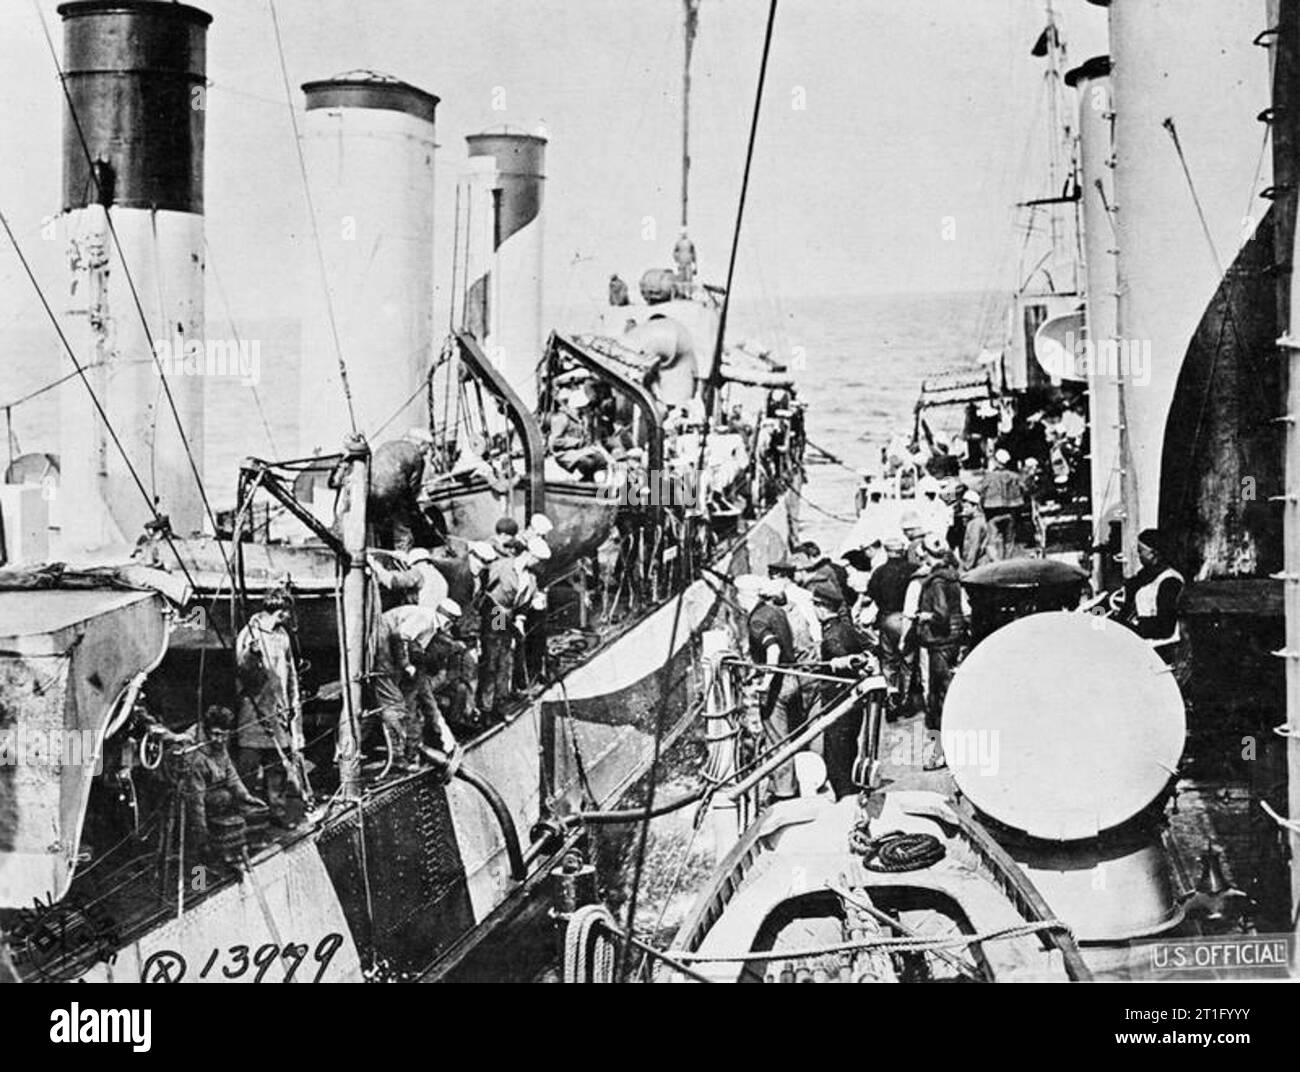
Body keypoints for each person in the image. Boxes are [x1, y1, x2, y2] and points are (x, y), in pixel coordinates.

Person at [234, 591, 308, 827]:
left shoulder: (282, 635)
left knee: (276, 766)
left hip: (278, 709)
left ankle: (277, 811)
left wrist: (292, 702)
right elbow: (241, 670)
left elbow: (291, 674)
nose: (288, 616)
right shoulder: (250, 633)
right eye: (287, 612)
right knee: (248, 763)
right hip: (253, 708)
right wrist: (250, 654)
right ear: (281, 611)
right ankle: (245, 814)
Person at [903, 534, 969, 769]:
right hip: (954, 640)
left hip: (938, 643)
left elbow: (941, 614)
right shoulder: (953, 577)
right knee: (949, 695)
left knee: (937, 700)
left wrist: (925, 616)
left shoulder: (935, 582)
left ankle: (939, 753)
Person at [172, 705, 265, 868]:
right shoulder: (195, 755)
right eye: (216, 734)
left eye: (224, 735)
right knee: (198, 849)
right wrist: (202, 835)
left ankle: (222, 853)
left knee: (229, 798)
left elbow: (230, 772)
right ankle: (198, 882)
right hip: (185, 794)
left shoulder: (218, 743)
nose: (220, 740)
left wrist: (246, 796)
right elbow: (196, 803)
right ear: (207, 731)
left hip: (206, 790)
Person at [737, 575, 804, 801]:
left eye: (739, 595)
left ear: (747, 596)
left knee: (777, 741)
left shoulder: (756, 620)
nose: (737, 600)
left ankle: (785, 792)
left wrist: (766, 680)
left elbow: (773, 649)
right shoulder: (775, 611)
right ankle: (796, 781)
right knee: (793, 735)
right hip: (792, 678)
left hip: (778, 685)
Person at [810, 581, 870, 800]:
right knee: (849, 751)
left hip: (839, 704)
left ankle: (846, 799)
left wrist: (838, 662)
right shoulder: (847, 628)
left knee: (837, 760)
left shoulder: (831, 637)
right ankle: (852, 793)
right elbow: (870, 648)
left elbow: (839, 656)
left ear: (822, 607)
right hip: (853, 702)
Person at [864, 534, 918, 710]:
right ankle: (906, 697)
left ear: (887, 551)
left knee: (888, 660)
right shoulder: (913, 570)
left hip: (887, 619)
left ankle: (892, 692)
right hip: (908, 619)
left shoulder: (879, 572)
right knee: (908, 661)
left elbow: (872, 595)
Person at [1117, 528, 1185, 653]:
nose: (1138, 556)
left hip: (1161, 648)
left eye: (1141, 551)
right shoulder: (1144, 576)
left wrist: (1134, 625)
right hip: (1141, 642)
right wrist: (1097, 614)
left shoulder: (1170, 581)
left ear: (1153, 553)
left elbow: (1165, 627)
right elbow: (1126, 607)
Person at [369, 428, 436, 551]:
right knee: (403, 533)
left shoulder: (389, 445)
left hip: (371, 493)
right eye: (428, 447)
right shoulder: (416, 456)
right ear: (422, 444)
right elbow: (412, 489)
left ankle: (385, 562)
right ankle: (403, 562)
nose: (428, 452)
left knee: (383, 531)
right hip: (393, 494)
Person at [981, 448, 1024, 560]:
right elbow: (1024, 490)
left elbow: (983, 493)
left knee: (992, 540)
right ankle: (1007, 563)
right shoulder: (1014, 476)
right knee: (1009, 541)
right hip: (1010, 512)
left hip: (993, 514)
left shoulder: (989, 476)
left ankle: (995, 563)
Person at [959, 489, 995, 571]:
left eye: (966, 507)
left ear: (974, 507)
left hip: (977, 563)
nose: (964, 510)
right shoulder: (979, 519)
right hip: (980, 562)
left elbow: (974, 546)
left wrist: (968, 566)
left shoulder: (975, 523)